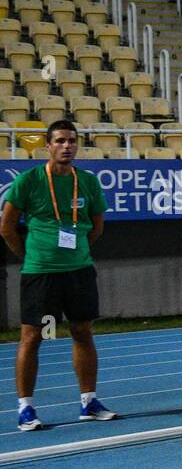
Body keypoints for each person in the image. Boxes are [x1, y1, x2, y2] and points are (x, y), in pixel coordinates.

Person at [0, 119, 117, 431]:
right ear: (47, 147)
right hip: (40, 272)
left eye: (72, 141)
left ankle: (89, 401)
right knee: (32, 336)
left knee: (83, 332)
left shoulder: (88, 181)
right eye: (61, 141)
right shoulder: (28, 180)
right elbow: (7, 227)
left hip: (78, 270)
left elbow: (97, 225)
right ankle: (25, 408)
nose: (67, 146)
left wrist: (77, 250)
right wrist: (29, 255)